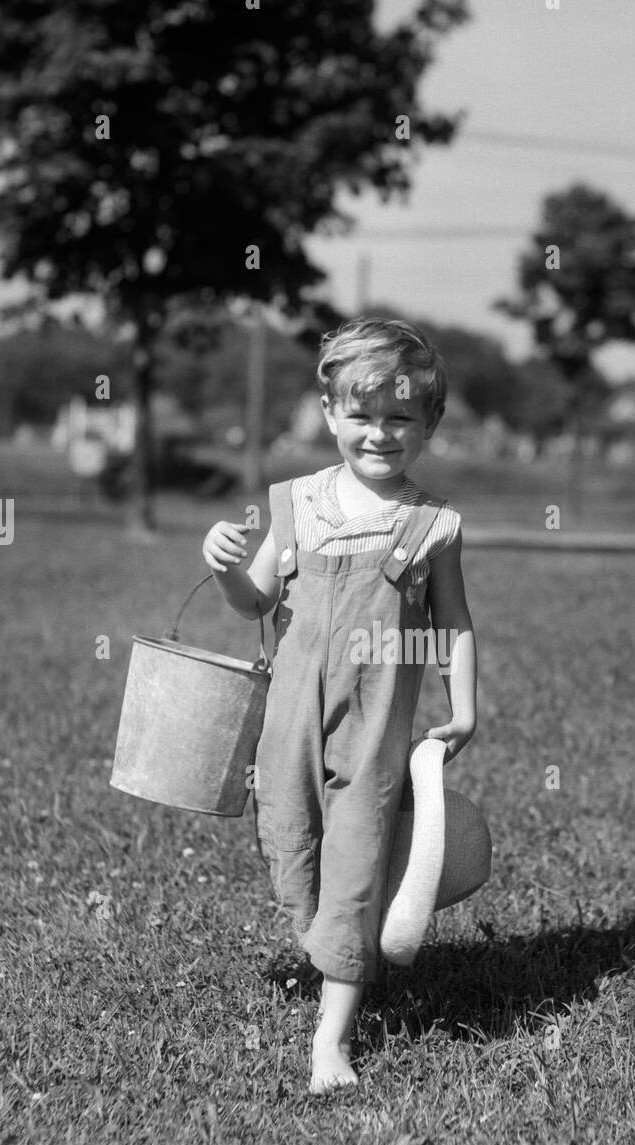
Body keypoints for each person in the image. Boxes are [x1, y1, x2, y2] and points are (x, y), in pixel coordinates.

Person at [203, 317, 477, 1093]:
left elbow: (453, 623)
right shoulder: (293, 505)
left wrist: (464, 706)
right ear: (329, 414)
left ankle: (333, 1037)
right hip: (289, 721)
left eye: (400, 418)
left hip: (373, 728)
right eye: (361, 415)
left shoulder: (432, 526)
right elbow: (253, 598)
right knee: (291, 841)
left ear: (429, 425)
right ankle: (339, 946)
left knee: (355, 855)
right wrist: (221, 566)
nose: (379, 434)